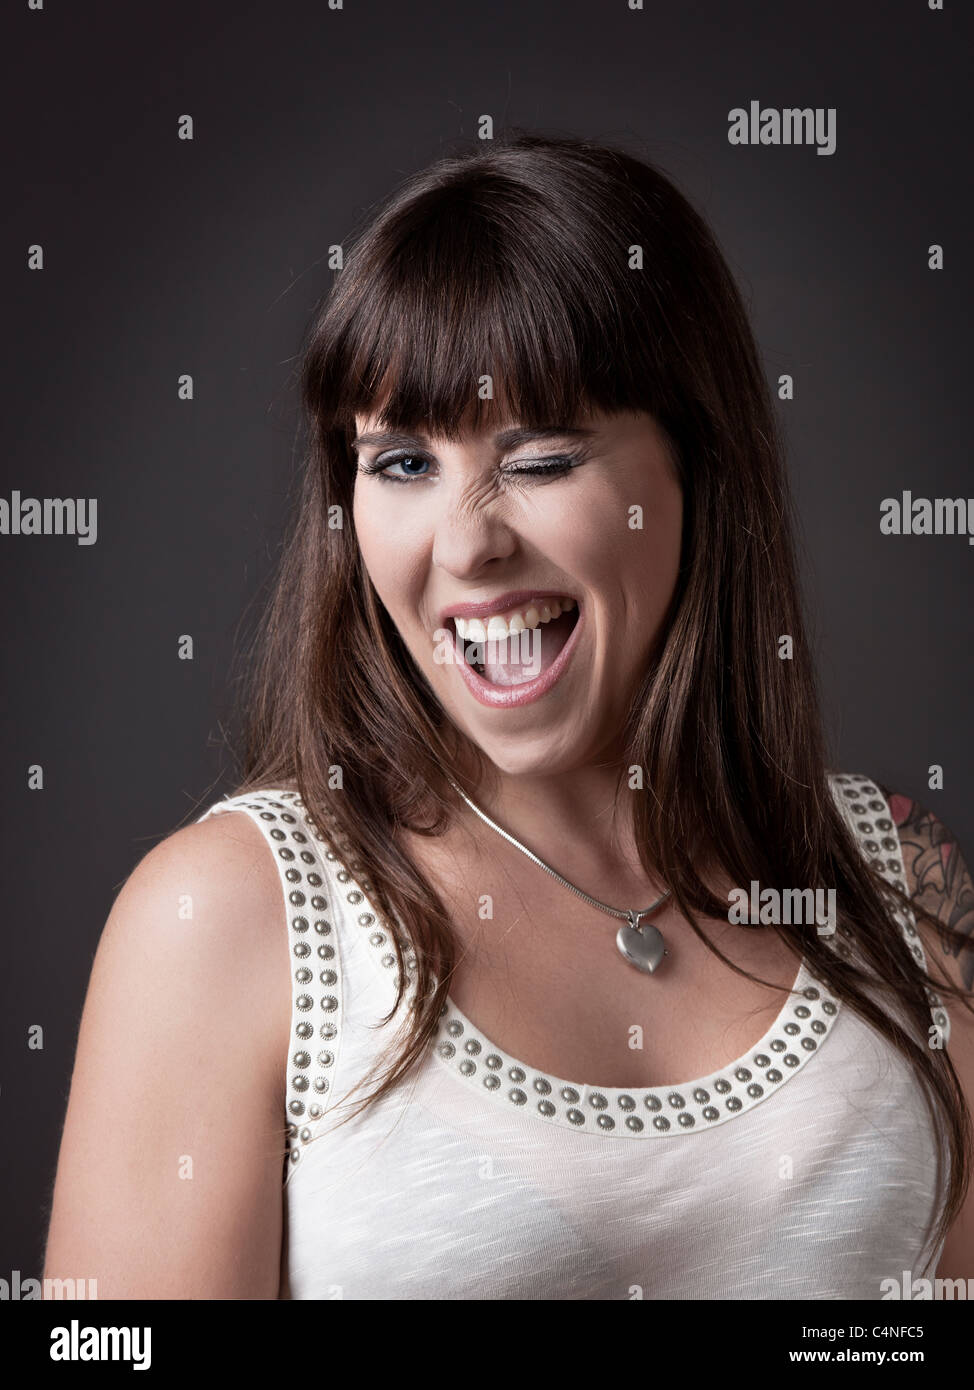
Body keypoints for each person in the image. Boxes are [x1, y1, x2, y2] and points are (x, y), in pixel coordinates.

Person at [43, 131, 974, 1299]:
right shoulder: (227, 917)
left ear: (697, 468)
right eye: (397, 464)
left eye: (537, 459)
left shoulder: (898, 882)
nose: (466, 543)